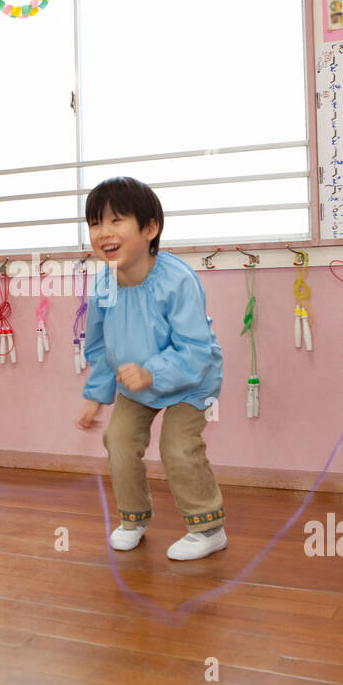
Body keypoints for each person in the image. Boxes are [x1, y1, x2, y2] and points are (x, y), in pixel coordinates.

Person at [74, 177, 227, 560]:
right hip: (136, 384)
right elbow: (101, 347)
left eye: (116, 221)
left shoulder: (178, 281)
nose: (104, 232)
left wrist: (152, 372)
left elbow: (195, 349)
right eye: (95, 223)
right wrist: (96, 396)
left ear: (150, 228)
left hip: (193, 380)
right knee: (120, 440)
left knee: (178, 446)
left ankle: (208, 528)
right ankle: (133, 518)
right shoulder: (104, 286)